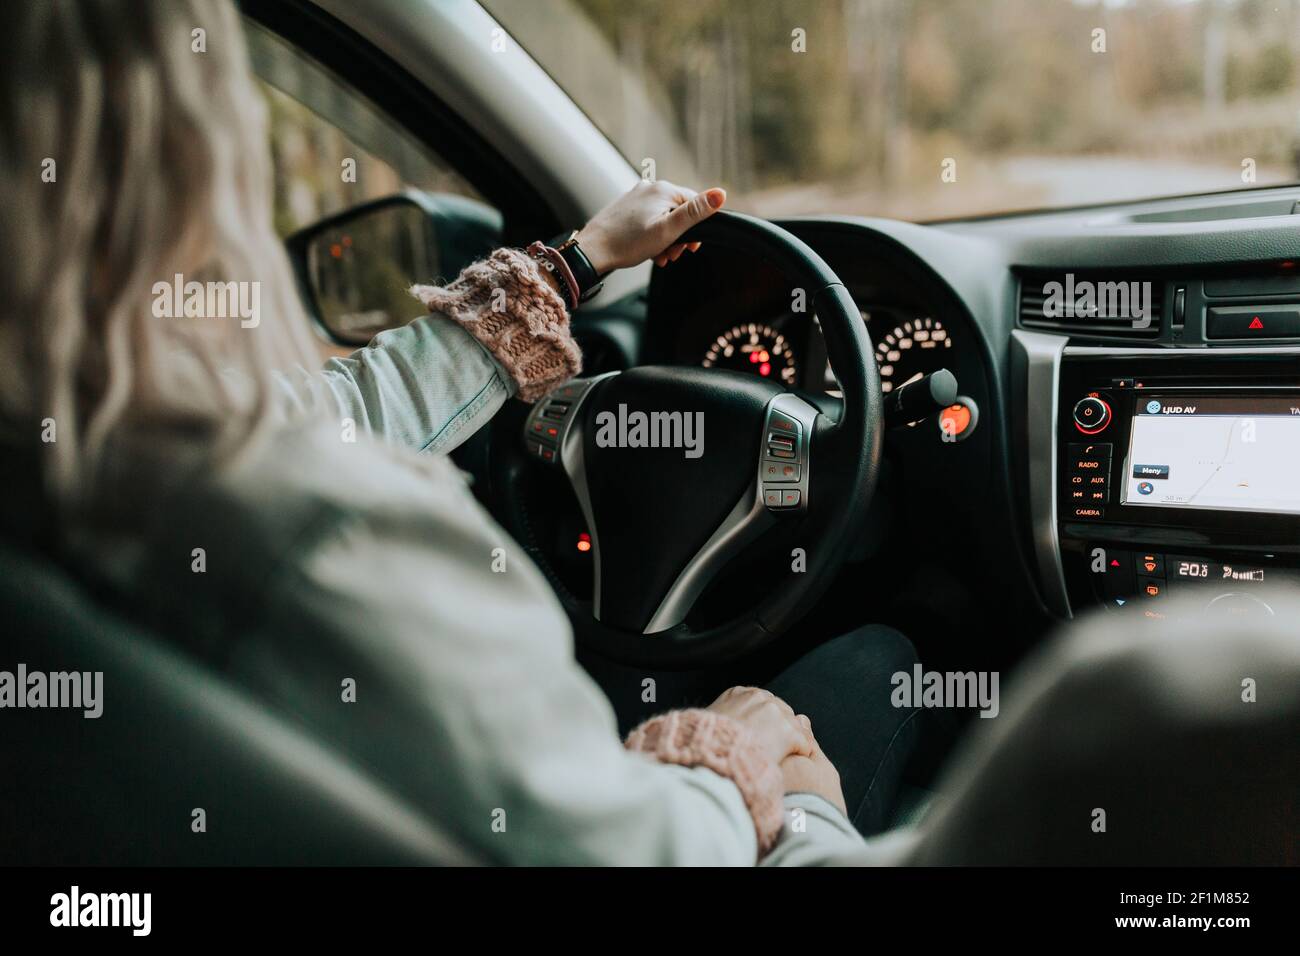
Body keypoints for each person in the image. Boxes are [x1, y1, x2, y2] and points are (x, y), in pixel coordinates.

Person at [0, 0, 917, 864]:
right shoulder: (315, 533)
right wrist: (745, 770)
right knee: (882, 666)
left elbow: (333, 407)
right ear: (181, 150)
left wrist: (571, 263)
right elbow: (625, 853)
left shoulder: (70, 463)